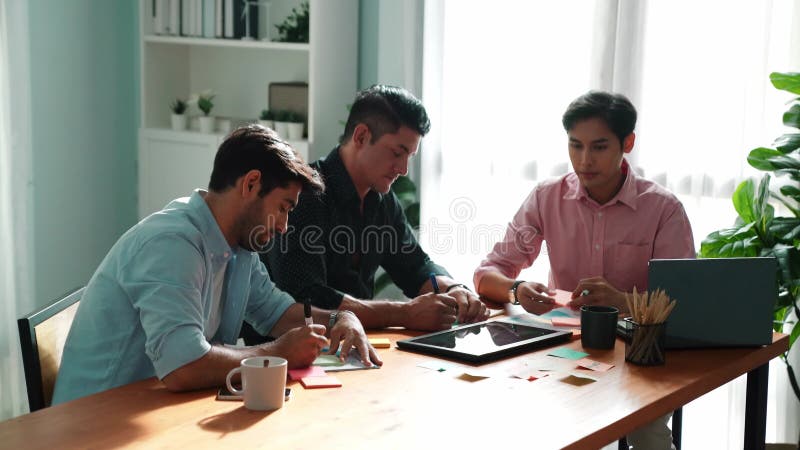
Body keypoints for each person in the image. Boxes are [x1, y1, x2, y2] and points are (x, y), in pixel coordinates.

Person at [52, 125, 381, 405]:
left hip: (153, 412)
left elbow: (276, 312)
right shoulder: (172, 244)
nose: (283, 226)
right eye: (283, 208)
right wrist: (277, 352)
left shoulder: (239, 248)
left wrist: (342, 317)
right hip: (97, 427)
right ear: (250, 184)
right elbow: (183, 366)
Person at [473, 91, 694, 450]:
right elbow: (488, 272)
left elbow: (682, 301)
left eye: (599, 147)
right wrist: (517, 289)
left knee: (648, 434)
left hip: (639, 355)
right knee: (524, 417)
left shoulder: (663, 209)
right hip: (564, 351)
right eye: (575, 146)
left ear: (628, 143)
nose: (584, 160)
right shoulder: (547, 197)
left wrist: (623, 301)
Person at [251, 84, 488, 336]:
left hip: (353, 348)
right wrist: (404, 314)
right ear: (361, 136)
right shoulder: (304, 195)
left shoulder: (382, 200)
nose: (403, 169)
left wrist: (453, 289)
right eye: (398, 153)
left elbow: (415, 267)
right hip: (286, 356)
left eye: (409, 156)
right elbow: (308, 297)